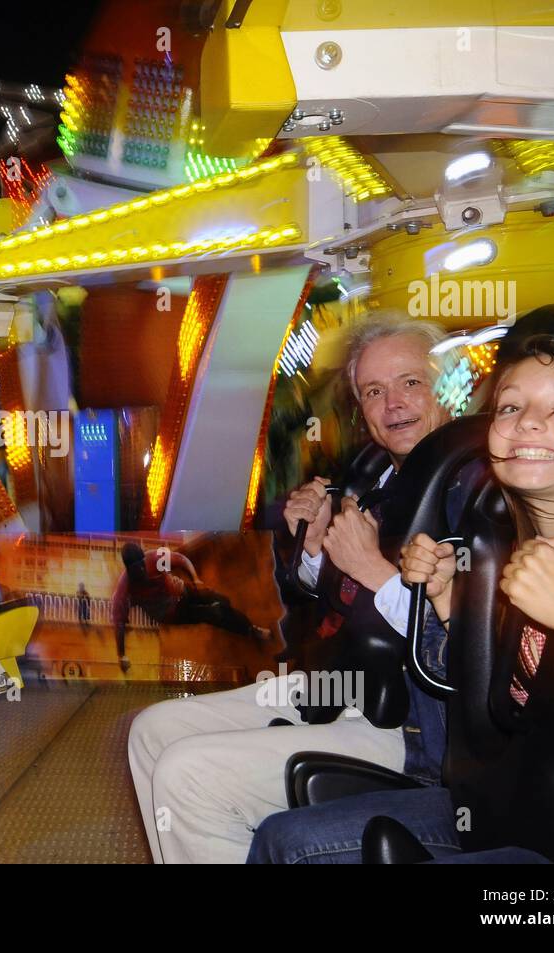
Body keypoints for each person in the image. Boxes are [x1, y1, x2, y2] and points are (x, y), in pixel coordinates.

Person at [248, 325, 554, 863]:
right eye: (511, 408)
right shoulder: (502, 539)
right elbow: (504, 702)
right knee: (283, 839)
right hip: (517, 804)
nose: (529, 421)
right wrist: (446, 603)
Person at [128, 314, 454, 863]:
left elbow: (470, 653)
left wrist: (373, 571)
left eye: (411, 382)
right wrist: (316, 546)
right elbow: (337, 593)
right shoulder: (380, 477)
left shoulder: (480, 483)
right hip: (341, 687)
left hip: (411, 729)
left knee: (190, 775)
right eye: (374, 391)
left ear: (448, 387)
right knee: (152, 729)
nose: (393, 403)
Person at [111, 543, 271, 673]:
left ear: (144, 560)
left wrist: (196, 580)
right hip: (171, 613)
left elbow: (181, 560)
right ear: (128, 570)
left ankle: (236, 620)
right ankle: (250, 630)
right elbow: (119, 625)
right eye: (135, 571)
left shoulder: (154, 559)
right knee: (213, 612)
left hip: (182, 591)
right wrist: (122, 656)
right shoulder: (124, 589)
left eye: (142, 566)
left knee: (221, 600)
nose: (141, 572)